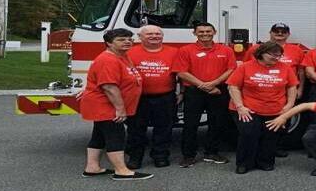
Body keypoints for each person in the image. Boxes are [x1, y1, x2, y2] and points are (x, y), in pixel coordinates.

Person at [80, 29, 151, 181]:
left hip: (106, 106)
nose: (127, 41)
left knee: (98, 136)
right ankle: (121, 171)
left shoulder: (122, 57)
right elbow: (109, 87)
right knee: (115, 136)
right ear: (109, 43)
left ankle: (92, 167)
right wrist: (120, 109)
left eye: (129, 39)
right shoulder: (108, 60)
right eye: (121, 39)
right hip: (106, 105)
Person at [226, 41, 299, 174]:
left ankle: (265, 162)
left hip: (275, 109)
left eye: (279, 56)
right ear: (262, 54)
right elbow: (233, 86)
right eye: (273, 55)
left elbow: (292, 87)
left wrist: (289, 106)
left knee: (270, 136)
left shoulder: (285, 68)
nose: (276, 58)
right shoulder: (245, 67)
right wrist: (240, 107)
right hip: (248, 109)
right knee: (249, 134)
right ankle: (244, 163)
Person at [172, 22, 238, 168]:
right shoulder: (185, 50)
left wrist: (214, 83)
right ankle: (188, 155)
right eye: (201, 32)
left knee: (217, 123)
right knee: (190, 124)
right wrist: (204, 85)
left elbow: (231, 69)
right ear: (194, 33)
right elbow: (181, 72)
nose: (205, 34)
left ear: (214, 32)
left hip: (218, 90)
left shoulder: (225, 50)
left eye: (208, 31)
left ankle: (212, 152)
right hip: (194, 91)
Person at [125, 25, 178, 169]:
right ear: (140, 37)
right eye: (149, 34)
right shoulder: (129, 52)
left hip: (165, 96)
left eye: (157, 34)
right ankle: (135, 158)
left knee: (164, 128)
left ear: (162, 36)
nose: (154, 36)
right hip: (138, 97)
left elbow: (181, 73)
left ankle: (160, 156)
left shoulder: (174, 52)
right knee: (135, 129)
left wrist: (183, 92)